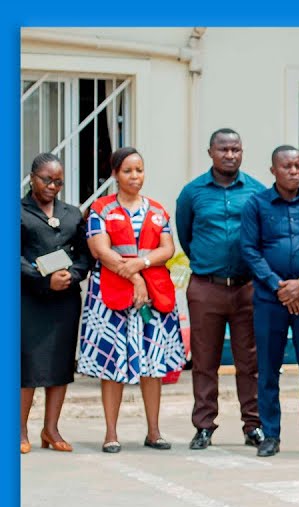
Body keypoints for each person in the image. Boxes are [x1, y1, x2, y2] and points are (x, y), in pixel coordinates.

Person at [77, 147, 186, 452]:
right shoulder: (100, 209)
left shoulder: (157, 210)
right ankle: (111, 434)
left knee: (153, 364)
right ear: (115, 174)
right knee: (111, 365)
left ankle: (154, 432)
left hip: (152, 297)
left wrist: (142, 264)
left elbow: (167, 248)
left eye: (139, 170)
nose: (135, 176)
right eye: (127, 171)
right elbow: (100, 249)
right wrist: (135, 276)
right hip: (111, 294)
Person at [239, 145, 299, 458]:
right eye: (287, 166)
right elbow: (249, 249)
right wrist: (278, 286)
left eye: (298, 166)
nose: (294, 171)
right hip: (270, 299)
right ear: (273, 170)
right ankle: (270, 435)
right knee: (268, 369)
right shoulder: (257, 204)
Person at [176, 128, 268, 452]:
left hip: (247, 288)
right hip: (206, 287)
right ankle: (204, 426)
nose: (230, 155)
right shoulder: (193, 193)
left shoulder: (256, 191)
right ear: (210, 152)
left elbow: (261, 236)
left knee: (249, 361)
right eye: (223, 149)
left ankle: (253, 425)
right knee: (204, 361)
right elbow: (185, 234)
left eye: (235, 149)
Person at [21, 153, 91, 454]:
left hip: (64, 300)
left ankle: (51, 430)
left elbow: (85, 255)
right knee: (26, 366)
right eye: (47, 180)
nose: (52, 186)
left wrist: (72, 276)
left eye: (58, 181)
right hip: (28, 299)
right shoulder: (16, 211)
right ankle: (19, 431)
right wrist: (43, 279)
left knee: (60, 364)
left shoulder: (72, 214)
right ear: (32, 178)